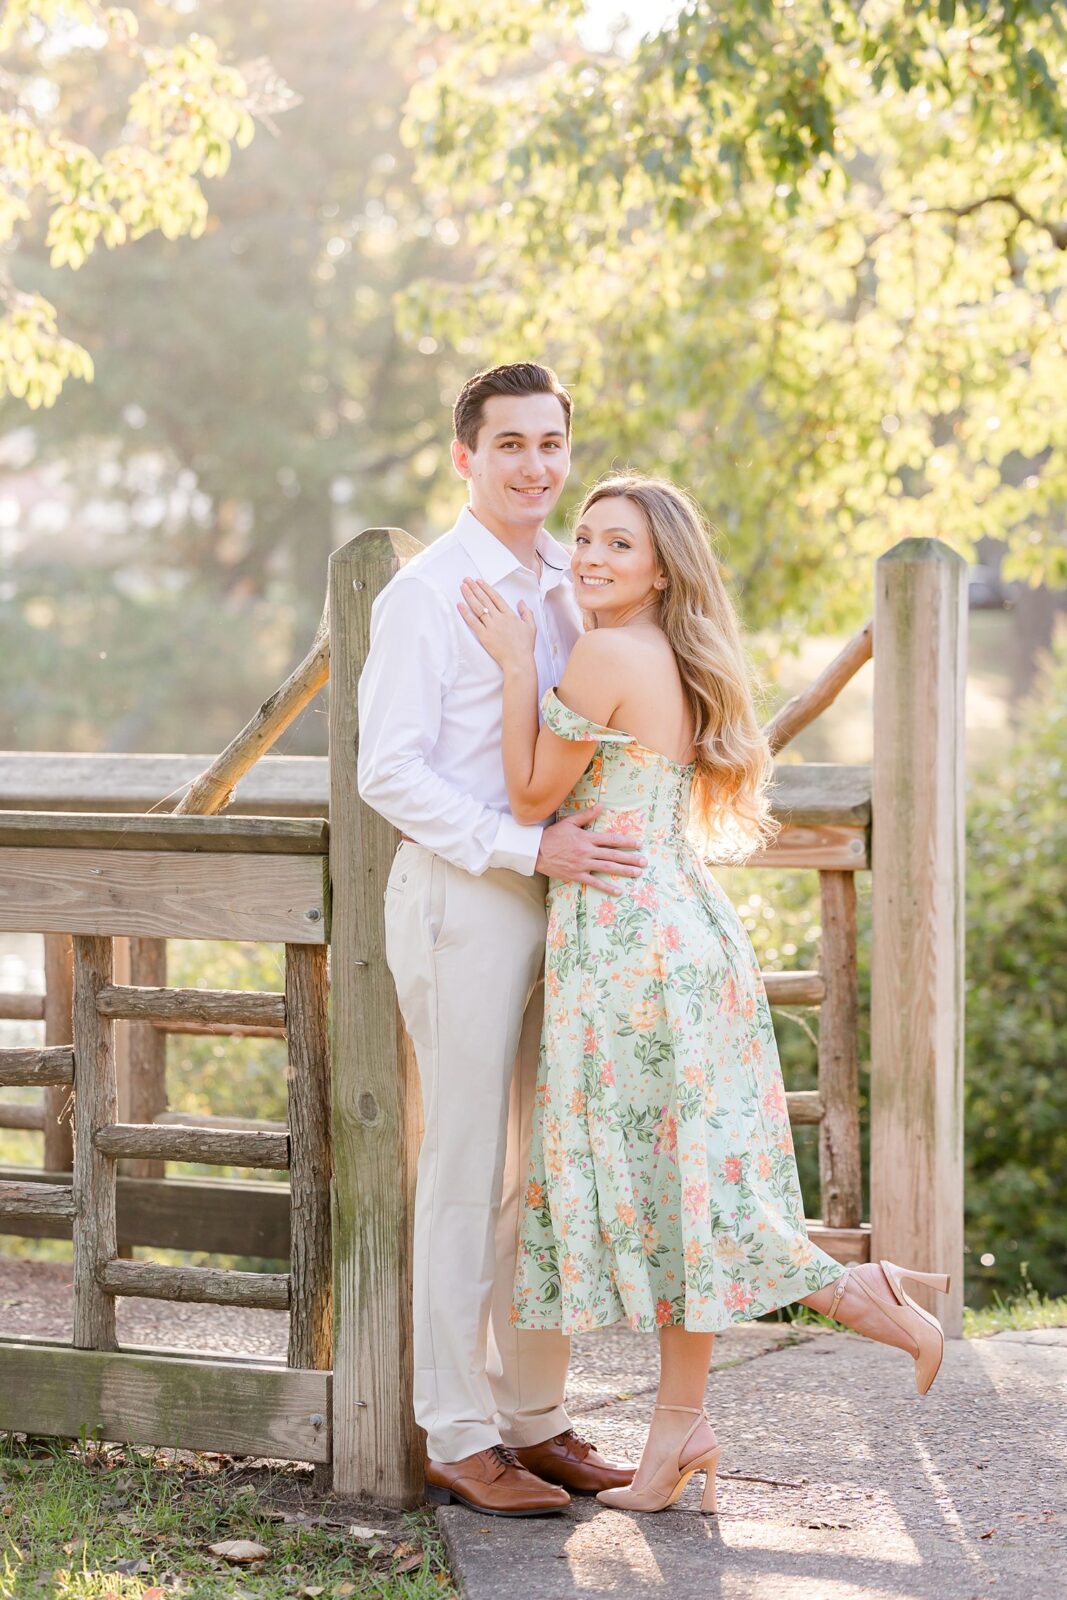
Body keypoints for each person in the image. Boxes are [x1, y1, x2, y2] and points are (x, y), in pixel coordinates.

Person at [458, 473, 951, 1516]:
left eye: (615, 547)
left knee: (693, 1193)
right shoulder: (678, 655)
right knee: (690, 1189)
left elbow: (530, 797)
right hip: (686, 937)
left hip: (632, 954)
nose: (588, 558)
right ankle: (677, 1429)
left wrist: (513, 665)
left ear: (659, 567)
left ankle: (862, 1295)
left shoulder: (600, 652)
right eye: (583, 539)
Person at [357, 363, 639, 1516]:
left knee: (544, 1167)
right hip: (463, 898)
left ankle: (534, 1417)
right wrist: (526, 851)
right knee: (466, 1166)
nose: (533, 464)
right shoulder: (428, 593)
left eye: (551, 443)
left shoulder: (570, 585)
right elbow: (388, 772)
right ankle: (457, 1432)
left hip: (557, 898)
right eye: (509, 443)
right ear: (465, 456)